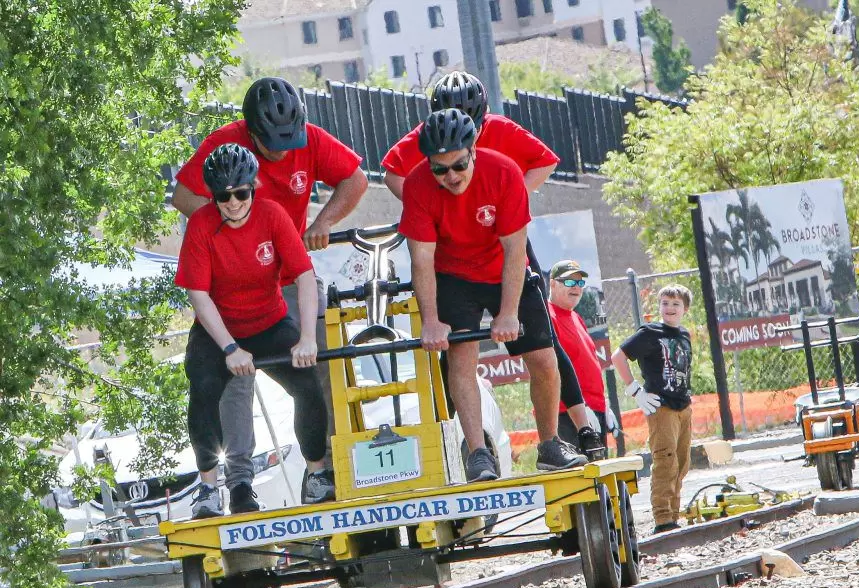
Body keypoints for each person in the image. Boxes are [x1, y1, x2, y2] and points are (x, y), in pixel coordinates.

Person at [382, 71, 602, 457]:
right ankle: (476, 450)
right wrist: (431, 320)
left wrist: (509, 312)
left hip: (501, 261)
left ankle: (553, 442)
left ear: (474, 147)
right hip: (453, 271)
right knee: (461, 357)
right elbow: (421, 259)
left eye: (458, 166)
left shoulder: (503, 171)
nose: (450, 176)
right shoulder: (419, 184)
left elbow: (515, 252)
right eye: (440, 169)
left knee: (543, 350)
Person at [172, 77, 367, 506]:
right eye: (271, 143)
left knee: (315, 366)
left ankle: (328, 468)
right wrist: (230, 223)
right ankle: (238, 482)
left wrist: (322, 223)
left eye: (289, 139)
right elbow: (184, 195)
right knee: (230, 380)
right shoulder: (224, 145)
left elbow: (355, 179)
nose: (282, 150)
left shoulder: (309, 142)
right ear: (251, 131)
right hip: (234, 286)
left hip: (287, 274)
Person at [174, 144, 335, 519]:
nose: (233, 203)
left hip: (269, 321)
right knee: (203, 387)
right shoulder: (201, 226)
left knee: (307, 384)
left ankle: (315, 473)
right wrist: (230, 348)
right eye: (223, 196)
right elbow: (198, 295)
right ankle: (209, 488)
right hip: (219, 328)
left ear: (252, 188)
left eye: (241, 193)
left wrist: (307, 338)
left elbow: (306, 277)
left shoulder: (272, 215)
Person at [611, 286, 694, 534]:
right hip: (661, 407)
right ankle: (663, 518)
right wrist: (635, 390)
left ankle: (674, 514)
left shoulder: (684, 334)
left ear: (685, 309)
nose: (670, 308)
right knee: (665, 460)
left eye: (675, 304)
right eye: (665, 303)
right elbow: (618, 356)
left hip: (683, 406)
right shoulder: (650, 332)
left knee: (682, 463)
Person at [546, 259, 619, 459]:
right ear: (552, 284)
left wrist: (603, 403)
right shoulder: (547, 316)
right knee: (582, 478)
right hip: (567, 413)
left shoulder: (575, 317)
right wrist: (582, 408)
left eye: (579, 283)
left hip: (593, 410)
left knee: (600, 475)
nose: (576, 288)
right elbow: (549, 368)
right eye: (569, 282)